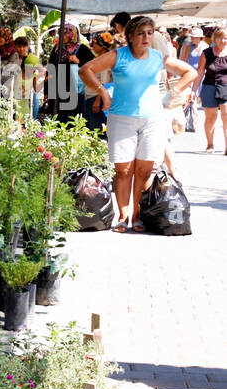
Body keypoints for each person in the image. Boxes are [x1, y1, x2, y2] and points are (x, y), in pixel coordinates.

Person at [79, 16, 197, 232]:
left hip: (152, 119)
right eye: (141, 33)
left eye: (150, 33)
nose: (146, 37)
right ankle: (123, 216)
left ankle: (136, 216)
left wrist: (174, 92)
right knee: (124, 170)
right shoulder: (118, 56)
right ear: (130, 36)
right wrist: (102, 92)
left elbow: (191, 72)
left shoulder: (158, 57)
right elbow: (85, 70)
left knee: (144, 171)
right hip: (121, 119)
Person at [43, 23, 94, 120]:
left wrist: (79, 61)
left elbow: (93, 64)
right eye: (61, 33)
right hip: (57, 90)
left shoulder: (82, 49)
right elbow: (50, 69)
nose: (62, 36)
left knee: (71, 119)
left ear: (73, 34)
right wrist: (47, 91)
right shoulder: (57, 49)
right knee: (57, 118)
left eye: (65, 33)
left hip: (73, 91)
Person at [196, 26, 227, 152]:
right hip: (209, 86)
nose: (223, 41)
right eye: (220, 38)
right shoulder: (207, 53)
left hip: (225, 87)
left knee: (226, 116)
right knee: (210, 117)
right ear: (215, 39)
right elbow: (200, 73)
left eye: (225, 38)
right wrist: (194, 90)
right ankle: (210, 145)